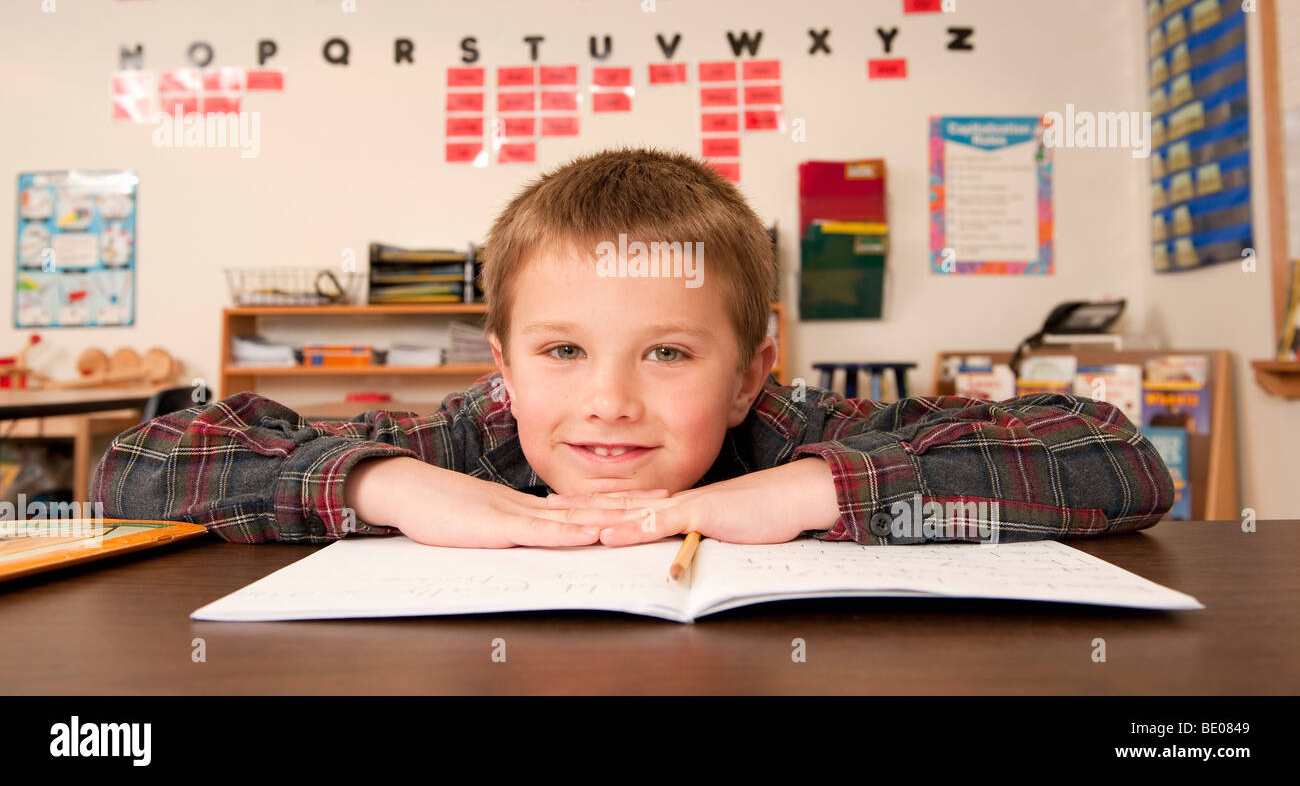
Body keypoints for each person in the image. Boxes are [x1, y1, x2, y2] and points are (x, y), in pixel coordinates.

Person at [91, 145, 1174, 548]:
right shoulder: (464, 442)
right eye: (562, 351)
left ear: (752, 369)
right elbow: (138, 468)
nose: (608, 402)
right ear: (501, 366)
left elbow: (1112, 458)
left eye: (667, 354)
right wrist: (391, 487)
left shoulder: (796, 435)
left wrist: (802, 495)